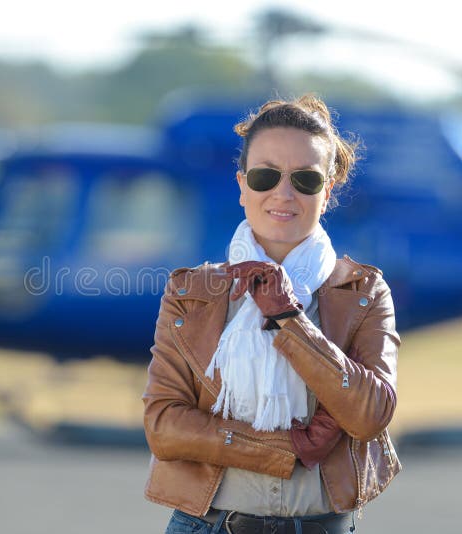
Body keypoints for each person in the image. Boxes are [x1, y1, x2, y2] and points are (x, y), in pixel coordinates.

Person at [142, 93, 401, 534]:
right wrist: (286, 448)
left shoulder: (362, 291)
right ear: (242, 186)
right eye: (265, 176)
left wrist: (287, 318)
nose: (283, 193)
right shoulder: (191, 291)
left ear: (328, 191)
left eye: (305, 179)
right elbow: (164, 427)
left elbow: (370, 414)